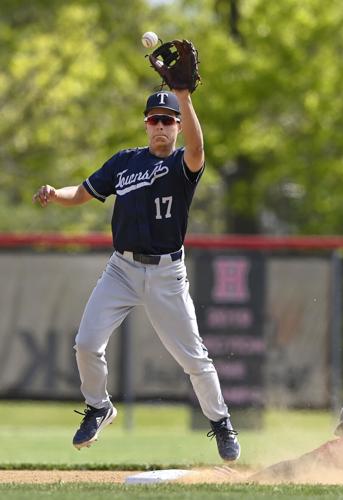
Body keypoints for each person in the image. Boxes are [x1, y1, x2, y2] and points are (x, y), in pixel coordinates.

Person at [32, 88, 240, 462]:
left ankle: (221, 422)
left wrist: (185, 98)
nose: (159, 125)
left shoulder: (182, 165)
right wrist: (55, 193)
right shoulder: (124, 162)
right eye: (153, 119)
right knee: (86, 342)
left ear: (177, 126)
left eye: (167, 119)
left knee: (193, 359)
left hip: (166, 274)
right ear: (146, 124)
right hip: (122, 269)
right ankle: (99, 407)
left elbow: (198, 150)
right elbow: (83, 192)